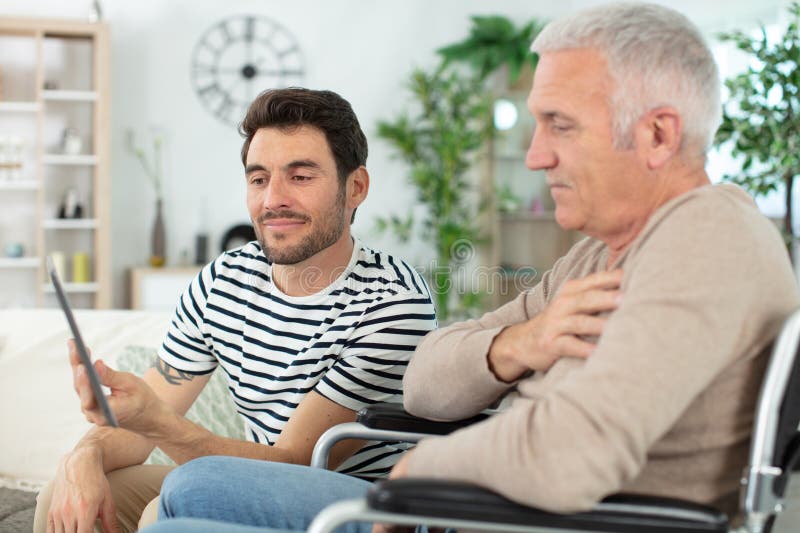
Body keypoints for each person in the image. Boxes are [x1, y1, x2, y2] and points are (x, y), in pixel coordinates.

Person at [144, 3, 800, 532]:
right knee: (192, 484)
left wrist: (423, 470)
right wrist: (522, 343)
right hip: (466, 509)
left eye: (560, 126)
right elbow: (427, 383)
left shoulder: (706, 239)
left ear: (657, 134)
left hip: (498, 515)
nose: (536, 155)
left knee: (180, 516)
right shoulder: (601, 253)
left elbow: (573, 455)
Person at [34, 88, 437, 533]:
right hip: (239, 484)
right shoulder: (224, 280)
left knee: (169, 509)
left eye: (300, 177)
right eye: (259, 178)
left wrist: (156, 423)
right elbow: (144, 416)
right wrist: (84, 456)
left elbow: (296, 464)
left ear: (355, 186)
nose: (272, 200)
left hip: (349, 508)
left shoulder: (392, 303)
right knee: (65, 494)